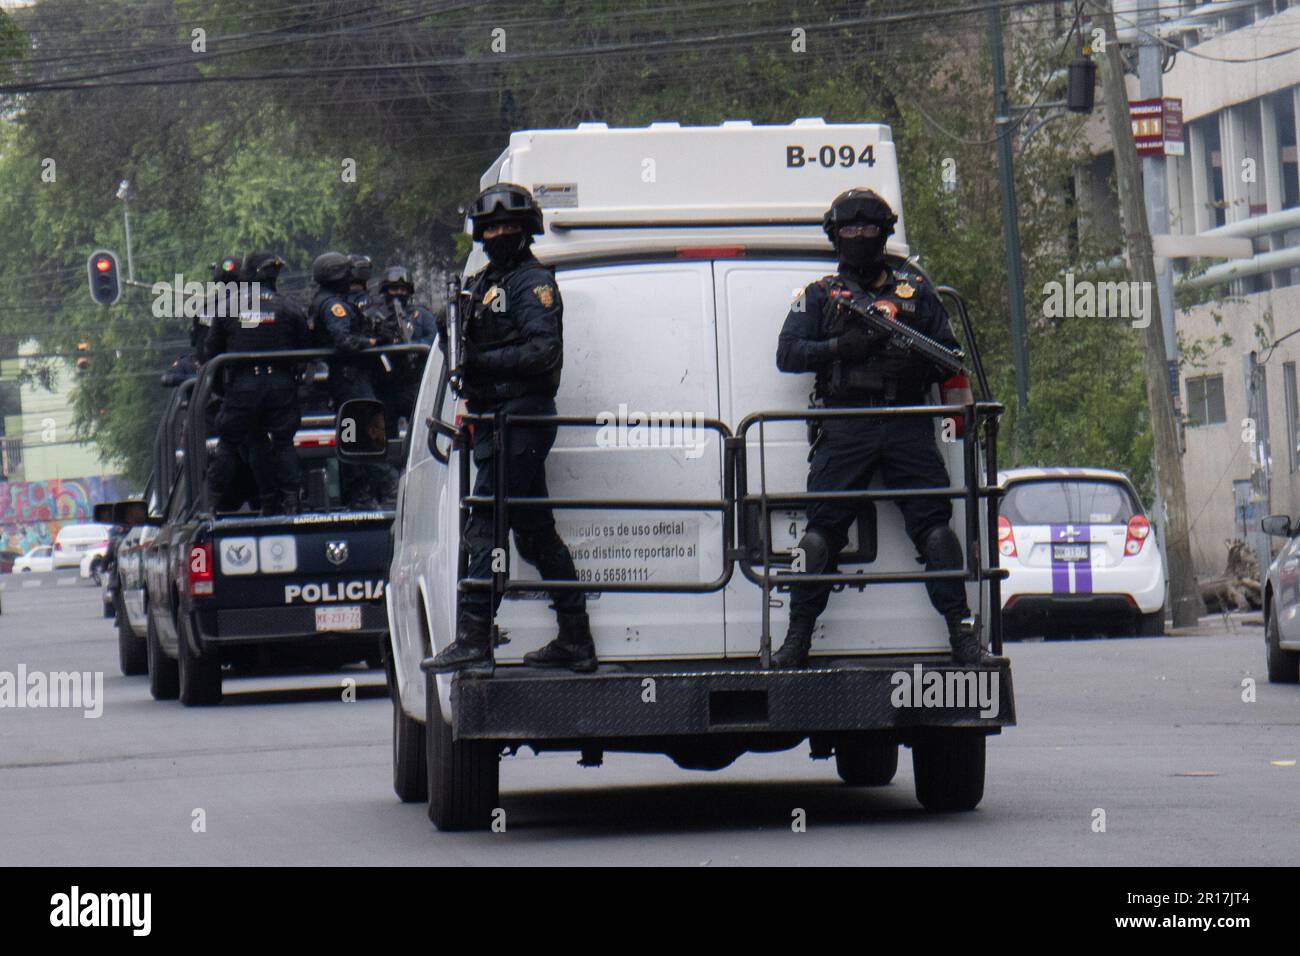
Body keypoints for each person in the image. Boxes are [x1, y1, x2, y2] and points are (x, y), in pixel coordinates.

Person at [773, 188, 982, 667]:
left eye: (869, 230)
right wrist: (838, 349)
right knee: (819, 534)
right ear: (835, 237)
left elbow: (950, 359)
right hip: (846, 426)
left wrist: (912, 359)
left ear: (885, 234)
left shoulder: (916, 293)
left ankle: (962, 633)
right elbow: (787, 354)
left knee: (935, 530)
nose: (860, 237)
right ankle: (796, 638)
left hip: (907, 422)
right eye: (850, 230)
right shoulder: (821, 295)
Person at [429, 182, 594, 674]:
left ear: (526, 231)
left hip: (518, 420)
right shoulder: (482, 282)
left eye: (508, 226)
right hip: (494, 420)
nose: (499, 233)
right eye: (491, 227)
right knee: (535, 534)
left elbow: (542, 351)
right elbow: (460, 344)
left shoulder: (532, 282)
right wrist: (451, 328)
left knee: (487, 525)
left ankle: (476, 637)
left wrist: (482, 359)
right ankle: (576, 638)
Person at [204, 251, 309, 516]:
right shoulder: (290, 306)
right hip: (281, 387)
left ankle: (210, 505)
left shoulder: (226, 307)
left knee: (228, 444)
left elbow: (210, 351)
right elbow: (306, 347)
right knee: (284, 443)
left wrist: (221, 390)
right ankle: (292, 503)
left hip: (242, 389)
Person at [310, 251, 396, 509]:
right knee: (367, 433)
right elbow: (344, 340)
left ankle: (359, 495)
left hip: (349, 378)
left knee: (355, 437)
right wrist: (372, 342)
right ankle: (386, 489)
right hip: (351, 378)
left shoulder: (328, 301)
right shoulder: (333, 306)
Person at [374, 264, 438, 436]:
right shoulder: (376, 315)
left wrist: (411, 344)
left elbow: (433, 338)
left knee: (421, 435)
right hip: (385, 385)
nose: (399, 293)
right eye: (394, 288)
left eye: (403, 289)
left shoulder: (421, 314)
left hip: (414, 383)